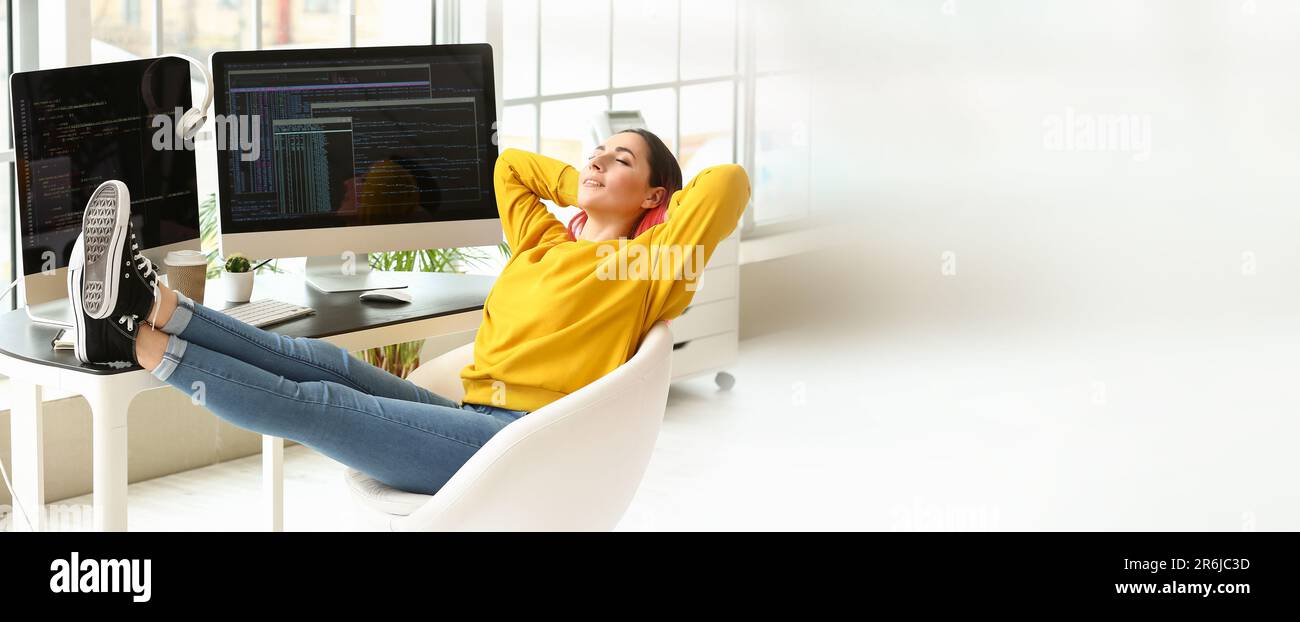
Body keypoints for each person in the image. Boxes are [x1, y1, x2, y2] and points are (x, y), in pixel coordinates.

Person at [68, 129, 750, 495]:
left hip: (517, 445)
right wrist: (586, 180)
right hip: (468, 418)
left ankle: (131, 345)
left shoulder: (652, 263)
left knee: (325, 403)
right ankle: (153, 304)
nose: (598, 158)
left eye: (620, 158)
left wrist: (646, 211)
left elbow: (728, 183)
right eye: (596, 150)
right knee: (320, 360)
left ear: (656, 193)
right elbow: (510, 166)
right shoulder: (545, 241)